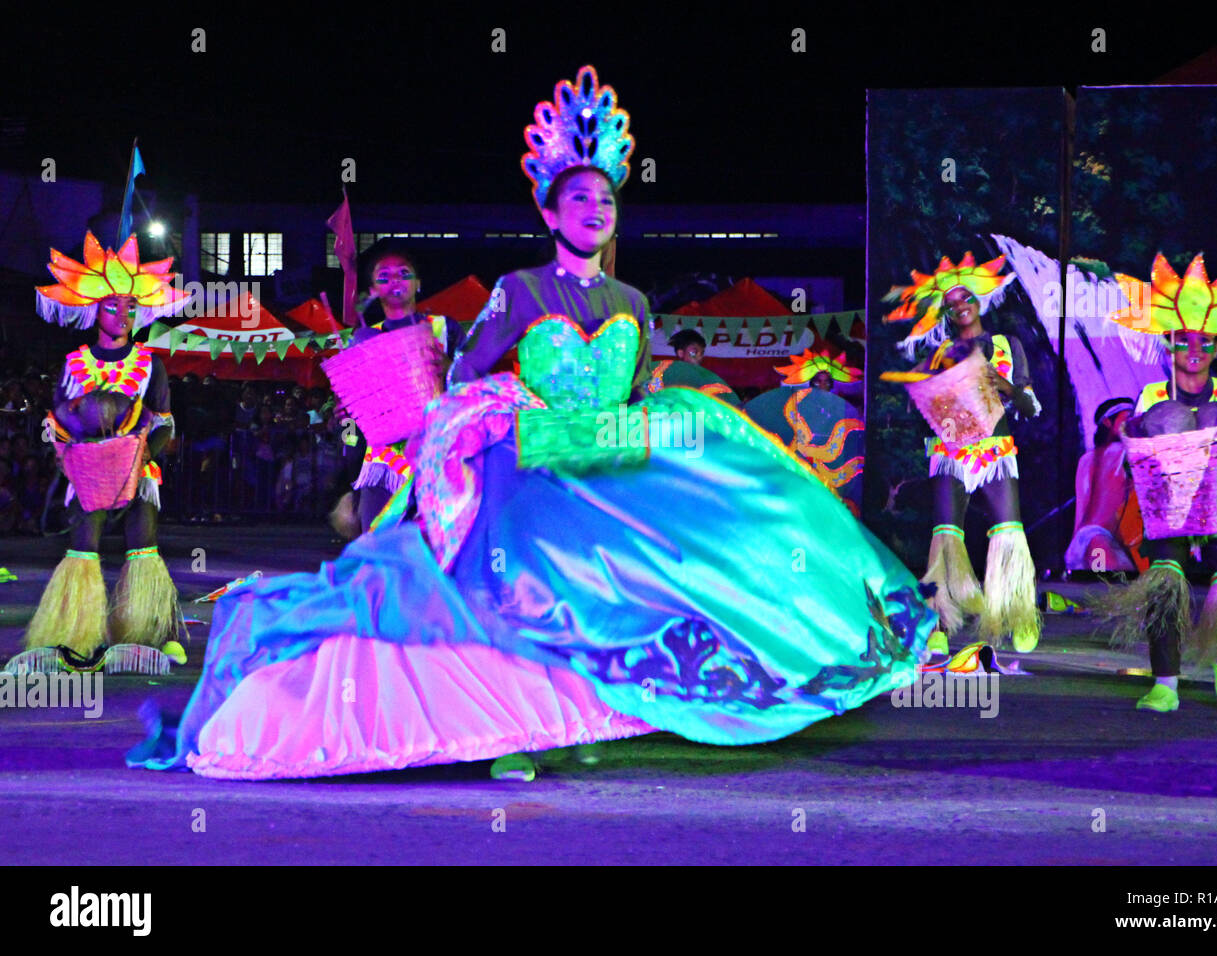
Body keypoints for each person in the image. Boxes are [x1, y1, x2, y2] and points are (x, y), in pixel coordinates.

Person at [130, 65, 935, 783]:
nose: (595, 209)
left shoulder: (633, 303)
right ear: (549, 211)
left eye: (607, 198)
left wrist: (665, 432)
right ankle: (511, 730)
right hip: (537, 468)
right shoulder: (517, 291)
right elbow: (468, 381)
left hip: (613, 465)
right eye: (579, 197)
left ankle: (594, 713)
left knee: (678, 564)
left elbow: (644, 389)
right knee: (517, 592)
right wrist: (503, 425)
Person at [1098, 254, 1217, 712]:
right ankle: (1165, 685)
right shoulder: (1151, 398)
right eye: (1183, 340)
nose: (1194, 349)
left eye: (1205, 341)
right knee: (1164, 583)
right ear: (1168, 345)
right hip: (1167, 512)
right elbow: (1133, 465)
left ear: (1215, 347)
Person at [21, 232, 189, 670]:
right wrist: (69, 454)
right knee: (83, 544)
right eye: (112, 305)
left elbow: (166, 423)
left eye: (131, 306)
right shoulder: (76, 362)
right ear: (94, 309)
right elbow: (56, 420)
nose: (122, 313)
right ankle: (75, 631)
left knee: (143, 545)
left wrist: (142, 457)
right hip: (89, 470)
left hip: (139, 468)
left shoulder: (150, 364)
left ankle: (153, 631)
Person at [883, 252, 1042, 654]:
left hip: (995, 449)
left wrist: (1003, 386)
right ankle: (940, 621)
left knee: (1009, 531)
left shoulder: (1007, 345)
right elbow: (920, 411)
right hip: (950, 452)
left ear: (980, 300)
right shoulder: (939, 355)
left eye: (965, 297)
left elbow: (1030, 408)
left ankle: (1017, 615)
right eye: (950, 304)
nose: (960, 306)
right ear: (946, 314)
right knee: (945, 536)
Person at [346, 240, 468, 531]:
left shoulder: (445, 329)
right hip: (383, 466)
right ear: (374, 289)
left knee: (435, 555)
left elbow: (472, 388)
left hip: (435, 460)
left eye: (403, 273)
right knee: (381, 555)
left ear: (418, 284)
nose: (394, 281)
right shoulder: (363, 339)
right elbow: (356, 417)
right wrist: (349, 409)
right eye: (383, 276)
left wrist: (452, 372)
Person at [1066, 397, 1137, 573]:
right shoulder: (1090, 459)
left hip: (1125, 540)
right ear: (1107, 422)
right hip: (1096, 537)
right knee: (1108, 579)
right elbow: (1082, 507)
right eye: (1127, 418)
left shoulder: (1136, 455)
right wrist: (1077, 545)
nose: (1133, 423)